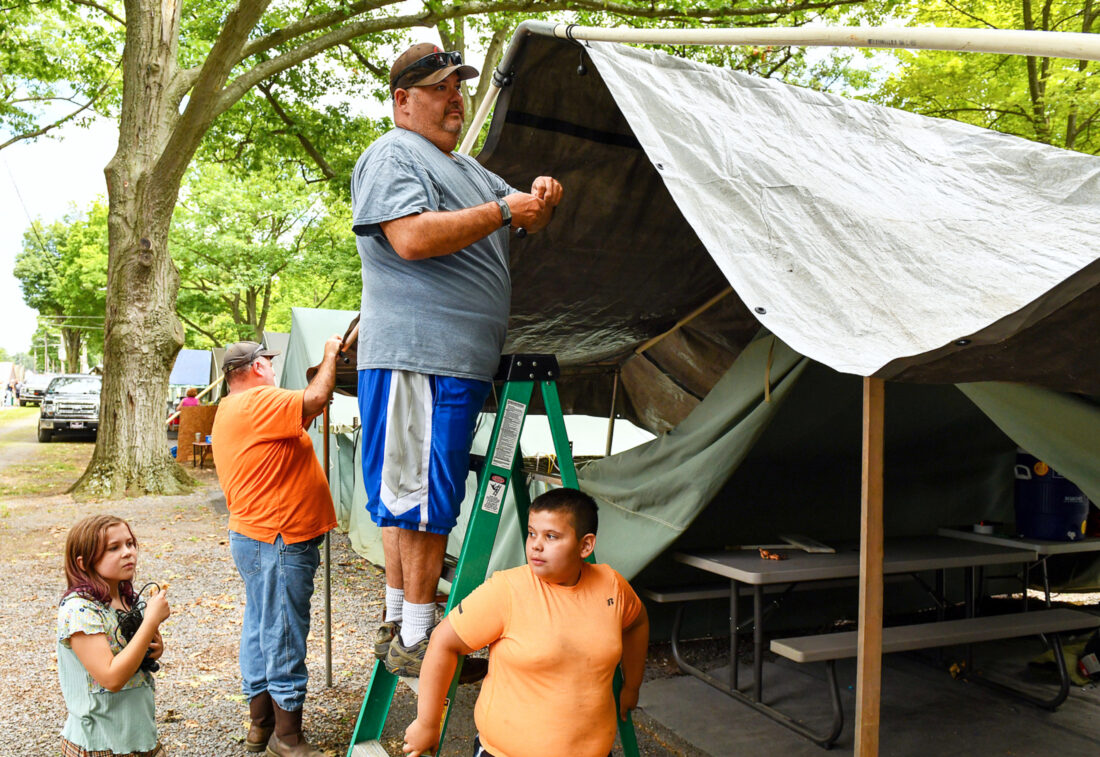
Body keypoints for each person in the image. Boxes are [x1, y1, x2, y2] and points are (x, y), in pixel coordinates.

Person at [350, 42, 565, 675]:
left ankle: (398, 621)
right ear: (402, 100)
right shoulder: (392, 154)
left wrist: (541, 198)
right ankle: (418, 637)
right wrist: (506, 208)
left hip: (452, 360)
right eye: (441, 87)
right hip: (418, 355)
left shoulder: (466, 168)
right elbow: (411, 238)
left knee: (413, 493)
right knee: (420, 498)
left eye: (458, 87)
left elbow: (527, 215)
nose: (455, 97)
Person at [402, 487, 649, 757]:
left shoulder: (611, 586)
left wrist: (632, 685)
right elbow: (442, 642)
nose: (536, 545)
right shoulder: (507, 590)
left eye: (551, 536)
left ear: (585, 545)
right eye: (532, 533)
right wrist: (427, 723)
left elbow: (637, 623)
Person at [211, 338, 342, 756]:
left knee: (261, 628)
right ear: (254, 369)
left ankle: (260, 726)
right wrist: (329, 355)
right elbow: (316, 396)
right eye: (267, 361)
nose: (271, 368)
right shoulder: (257, 402)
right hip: (279, 537)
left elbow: (308, 410)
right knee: (283, 631)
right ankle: (287, 738)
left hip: (258, 535)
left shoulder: (235, 408)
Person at [57, 514, 171, 757]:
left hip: (142, 736)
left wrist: (154, 646)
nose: (128, 552)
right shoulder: (80, 610)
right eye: (114, 548)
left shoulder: (132, 600)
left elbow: (137, 652)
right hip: (99, 743)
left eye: (130, 544)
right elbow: (111, 678)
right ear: (83, 562)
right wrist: (151, 619)